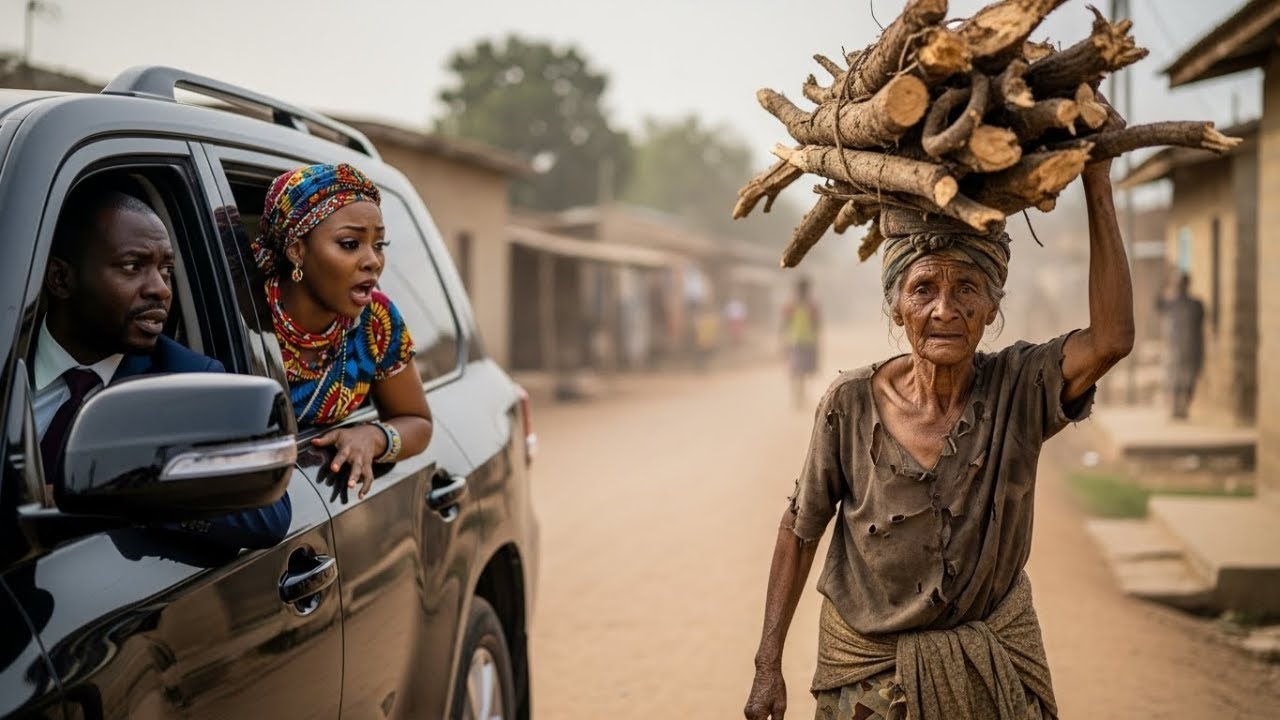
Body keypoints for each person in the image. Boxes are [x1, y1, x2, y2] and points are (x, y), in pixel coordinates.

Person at [744, 112, 1134, 719]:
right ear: (897, 307)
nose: (944, 309)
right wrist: (767, 665)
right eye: (923, 289)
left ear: (991, 308)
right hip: (866, 676)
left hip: (992, 668)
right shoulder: (849, 404)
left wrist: (1097, 179)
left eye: (967, 289)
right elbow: (800, 529)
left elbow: (1111, 338)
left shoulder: (1019, 388)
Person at [35, 185, 290, 549]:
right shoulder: (9, 358)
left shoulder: (190, 378)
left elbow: (268, 516)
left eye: (166, 269)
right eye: (132, 266)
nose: (161, 289)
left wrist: (117, 489)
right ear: (61, 278)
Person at [251, 163, 432, 498]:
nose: (373, 260)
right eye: (350, 243)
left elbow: (417, 421)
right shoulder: (243, 313)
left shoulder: (376, 320)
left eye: (379, 244)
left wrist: (374, 437)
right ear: (297, 250)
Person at [1155, 271, 1205, 420]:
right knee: (1174, 380)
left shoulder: (1195, 305)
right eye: (1178, 284)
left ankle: (1184, 408)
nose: (1180, 287)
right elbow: (1157, 304)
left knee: (1188, 381)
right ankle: (1176, 408)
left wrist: (1200, 351)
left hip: (1190, 349)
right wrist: (1163, 282)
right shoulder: (1171, 304)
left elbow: (1200, 327)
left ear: (1187, 285)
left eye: (1182, 284)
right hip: (1173, 350)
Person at [780, 277, 821, 409]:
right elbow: (817, 323)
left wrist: (783, 338)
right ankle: (799, 397)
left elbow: (785, 322)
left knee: (797, 370)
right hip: (805, 341)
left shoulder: (792, 304)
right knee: (800, 370)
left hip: (796, 341)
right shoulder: (811, 304)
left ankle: (798, 397)